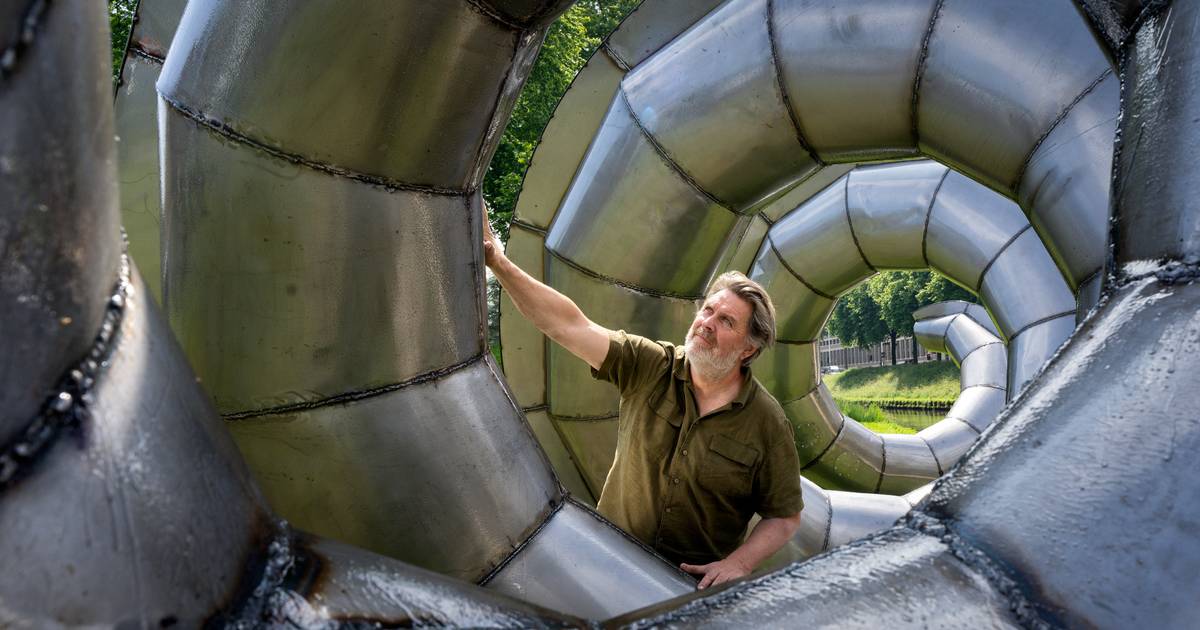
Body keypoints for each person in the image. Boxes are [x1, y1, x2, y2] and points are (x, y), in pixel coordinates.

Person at [482, 204, 802, 590]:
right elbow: (568, 325)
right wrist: (497, 261)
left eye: (726, 321)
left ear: (749, 349)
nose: (707, 324)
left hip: (685, 592)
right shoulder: (650, 366)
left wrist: (739, 563)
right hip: (608, 567)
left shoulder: (766, 422)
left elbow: (783, 516)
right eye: (708, 311)